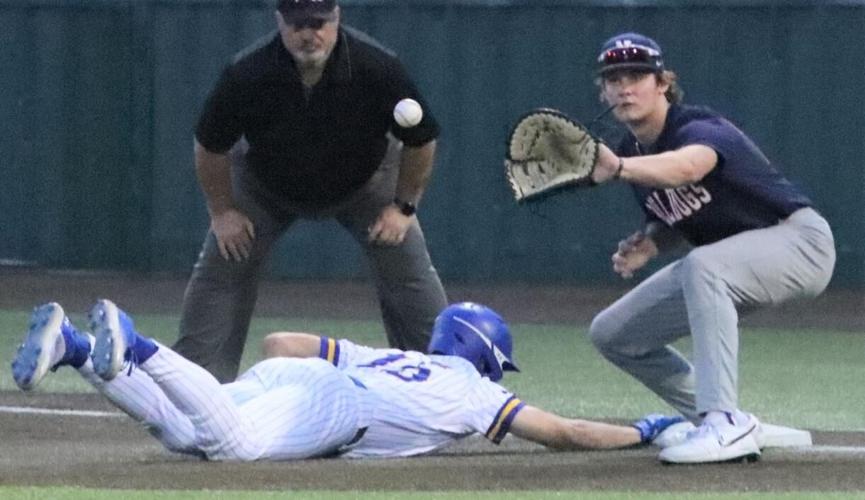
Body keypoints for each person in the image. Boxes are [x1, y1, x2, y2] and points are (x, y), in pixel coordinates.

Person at [583, 32, 836, 464]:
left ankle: (724, 423)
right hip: (734, 258)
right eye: (614, 78)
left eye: (638, 75)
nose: (624, 87)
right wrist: (653, 242)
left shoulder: (697, 127)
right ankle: (725, 418)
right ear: (603, 90)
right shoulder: (632, 150)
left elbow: (688, 168)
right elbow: (688, 216)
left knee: (704, 266)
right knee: (614, 334)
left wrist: (621, 168)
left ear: (663, 83)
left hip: (801, 242)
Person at [11, 300, 683, 461]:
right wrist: (643, 430)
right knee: (233, 448)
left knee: (187, 434)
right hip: (336, 404)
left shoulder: (386, 353)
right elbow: (562, 432)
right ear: (487, 357)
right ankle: (141, 345)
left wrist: (326, 361)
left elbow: (279, 343)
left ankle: (78, 349)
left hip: (304, 374)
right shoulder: (475, 392)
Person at [179, 0, 448, 383]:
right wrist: (222, 212)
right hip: (265, 187)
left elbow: (422, 139)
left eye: (319, 22)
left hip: (366, 184)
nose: (309, 34)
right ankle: (193, 388)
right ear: (279, 23)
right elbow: (210, 146)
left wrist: (403, 208)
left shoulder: (378, 67)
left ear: (337, 19)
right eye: (297, 23)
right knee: (223, 267)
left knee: (408, 272)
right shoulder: (247, 74)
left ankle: (445, 382)